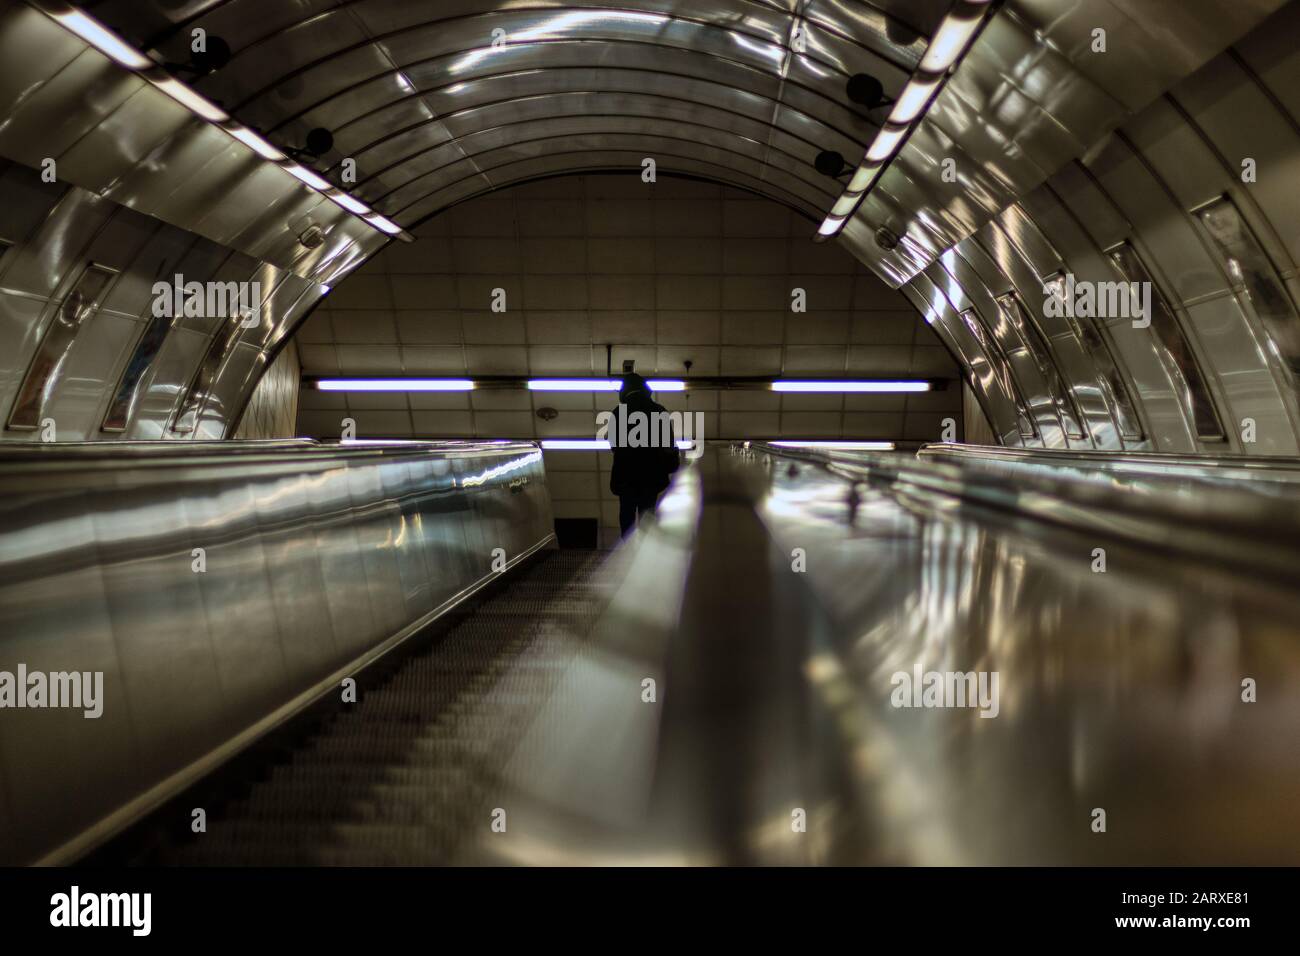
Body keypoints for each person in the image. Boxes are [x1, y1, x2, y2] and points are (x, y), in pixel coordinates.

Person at [608, 372, 680, 536]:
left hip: (626, 476)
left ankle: (627, 551)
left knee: (626, 515)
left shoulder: (618, 412)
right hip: (652, 475)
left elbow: (614, 446)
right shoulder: (659, 410)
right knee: (648, 514)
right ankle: (645, 553)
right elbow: (667, 444)